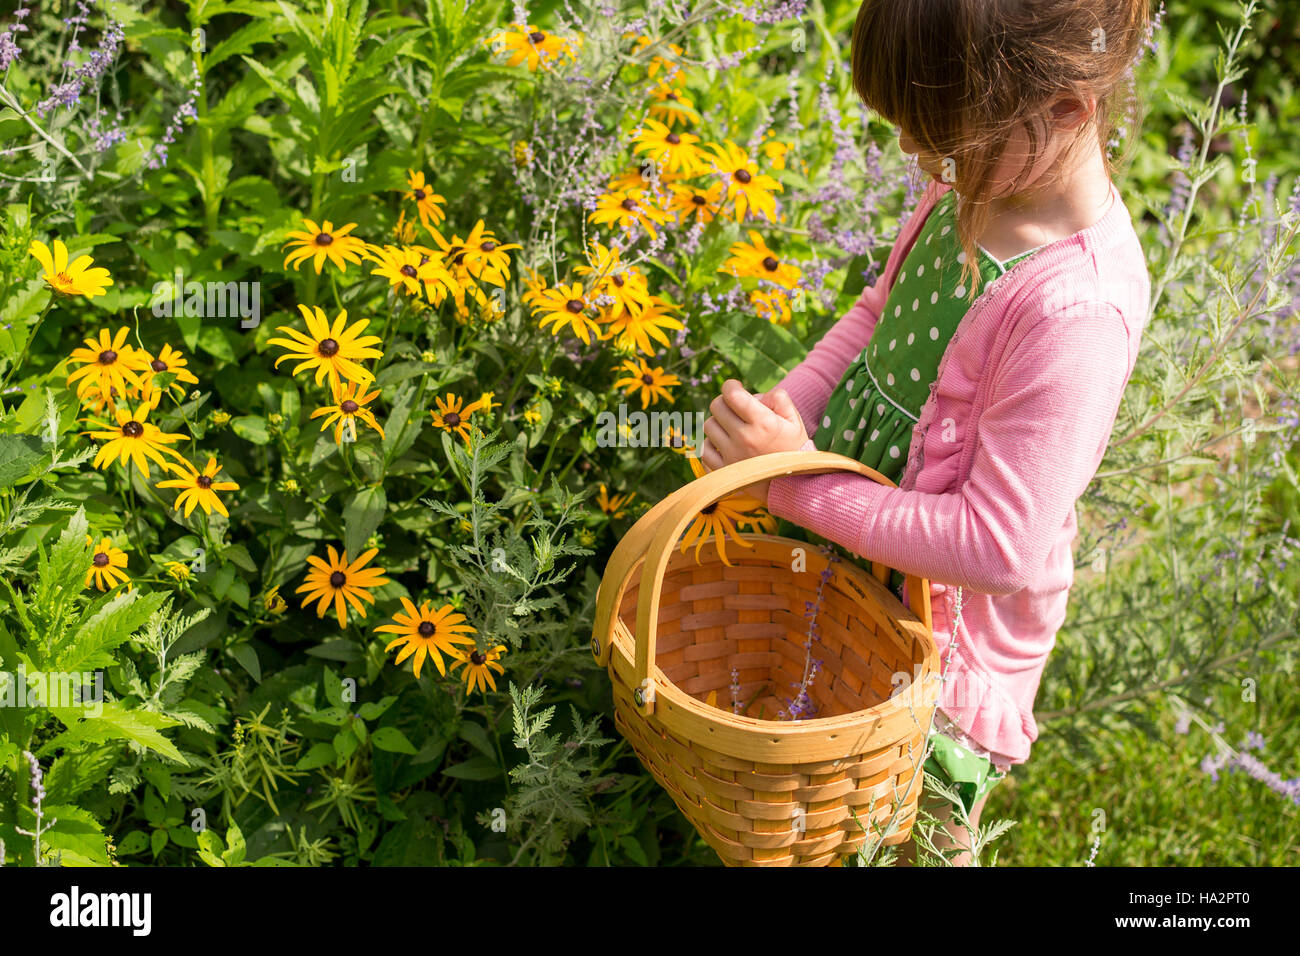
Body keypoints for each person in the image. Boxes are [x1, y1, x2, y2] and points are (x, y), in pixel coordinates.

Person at [699, 0, 1153, 865]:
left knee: (919, 830)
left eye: (936, 136)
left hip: (942, 647)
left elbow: (995, 547)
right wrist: (792, 411)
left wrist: (791, 481)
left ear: (1068, 107)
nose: (916, 157)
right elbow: (878, 315)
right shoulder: (981, 180)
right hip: (860, 559)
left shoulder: (1075, 311)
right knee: (831, 785)